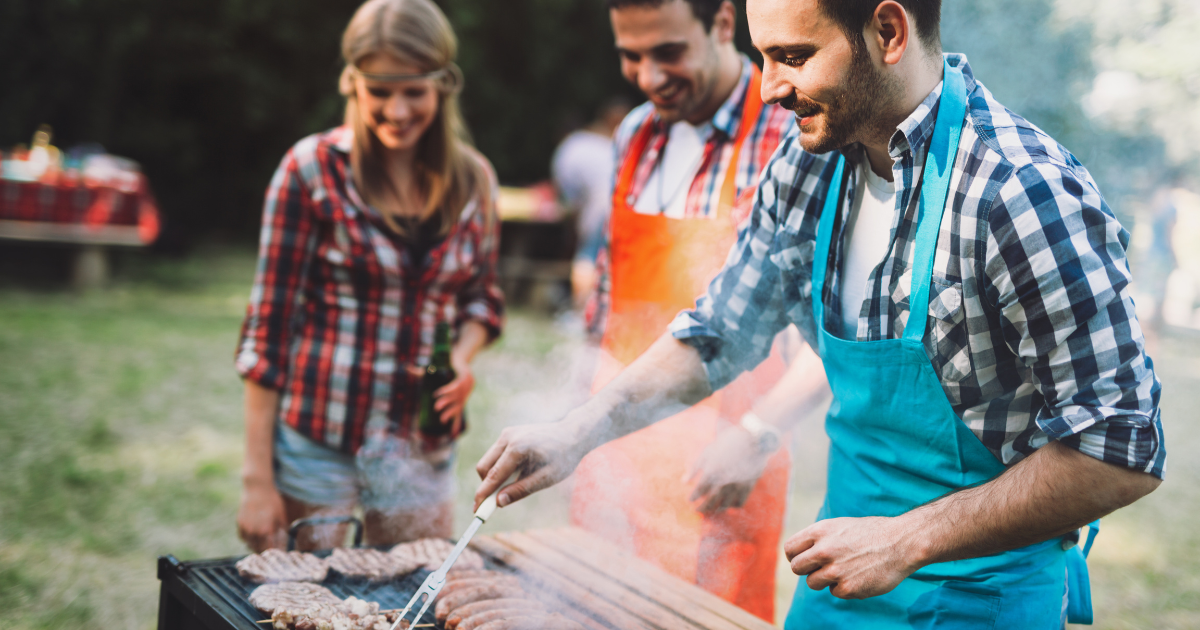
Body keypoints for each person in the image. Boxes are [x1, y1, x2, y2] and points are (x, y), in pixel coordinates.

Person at [475, 0, 1166, 627]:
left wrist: (905, 538)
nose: (769, 87)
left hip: (981, 596)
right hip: (839, 578)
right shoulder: (810, 161)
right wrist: (577, 431)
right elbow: (720, 332)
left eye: (794, 57)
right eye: (765, 55)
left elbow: (1120, 451)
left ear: (888, 32)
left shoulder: (1021, 192)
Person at [235, 0, 503, 553]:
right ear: (352, 83)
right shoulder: (309, 171)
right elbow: (267, 330)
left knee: (407, 598)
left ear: (444, 85)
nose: (397, 110)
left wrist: (461, 358)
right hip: (318, 441)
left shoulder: (475, 181)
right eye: (380, 90)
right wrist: (256, 480)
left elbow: (483, 299)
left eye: (414, 91)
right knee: (305, 600)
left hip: (421, 449)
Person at [568, 0, 795, 620]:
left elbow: (822, 328)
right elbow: (608, 303)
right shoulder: (634, 134)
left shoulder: (786, 130)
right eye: (630, 56)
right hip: (614, 450)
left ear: (723, 23)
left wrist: (759, 433)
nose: (647, 77)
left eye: (667, 52)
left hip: (722, 458)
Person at [551, 97, 632, 306]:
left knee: (587, 257)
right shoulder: (612, 145)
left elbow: (567, 190)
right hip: (624, 206)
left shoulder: (576, 145)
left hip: (601, 208)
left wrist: (574, 212)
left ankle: (581, 310)